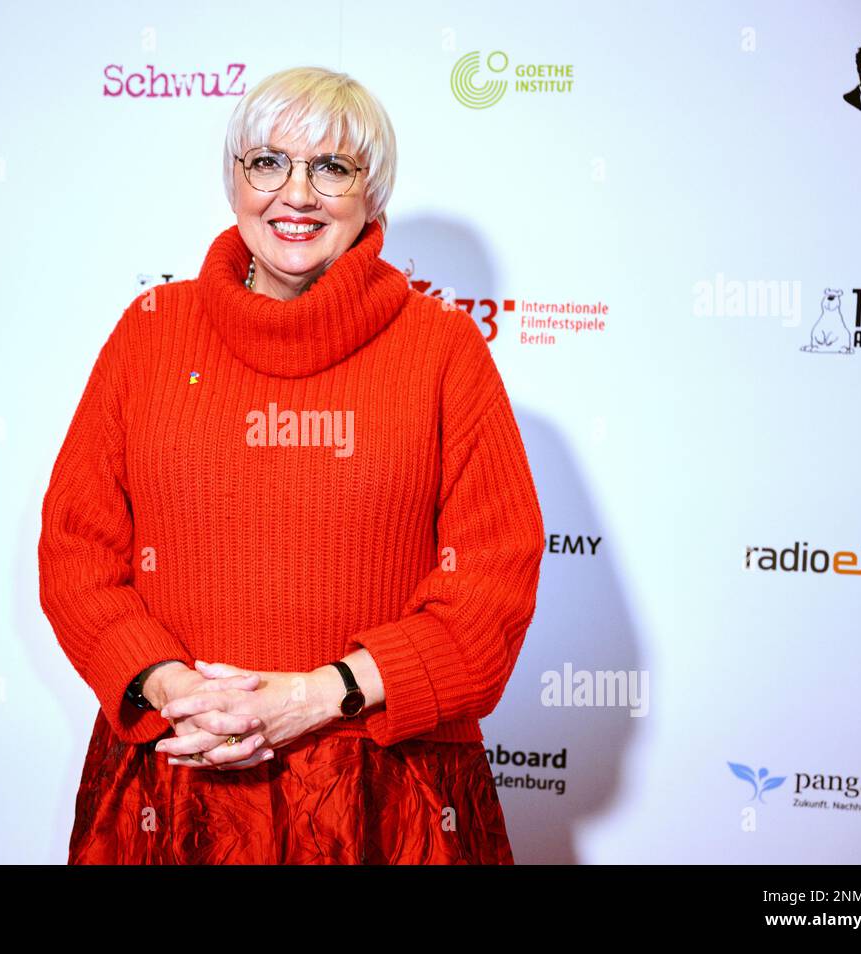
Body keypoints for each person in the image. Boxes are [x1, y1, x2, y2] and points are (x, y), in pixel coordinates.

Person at [38, 65, 545, 864]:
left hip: (381, 794)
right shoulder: (148, 334)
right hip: (179, 777)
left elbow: (492, 589)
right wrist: (173, 690)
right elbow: (76, 554)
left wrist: (318, 696)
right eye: (268, 162)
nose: (296, 194)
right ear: (235, 179)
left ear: (371, 193)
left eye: (332, 168)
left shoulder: (445, 351)